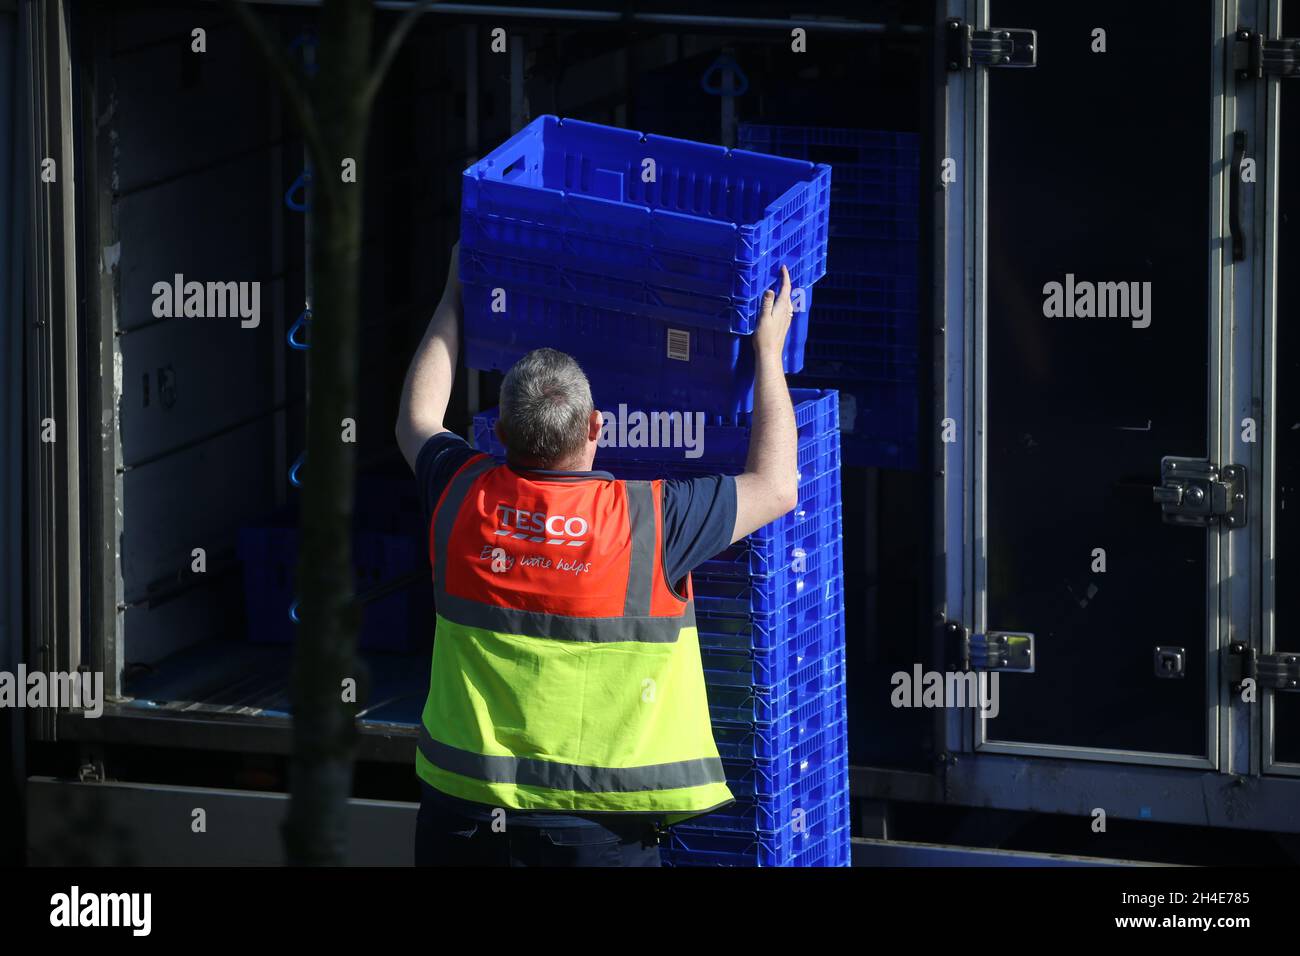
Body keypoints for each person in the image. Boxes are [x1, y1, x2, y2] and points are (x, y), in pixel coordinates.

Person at [394, 244, 799, 866]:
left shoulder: (461, 494)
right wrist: (768, 356)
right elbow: (776, 486)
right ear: (596, 428)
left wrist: (453, 294)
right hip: (598, 831)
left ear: (498, 435)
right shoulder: (647, 522)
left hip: (465, 817)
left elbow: (417, 416)